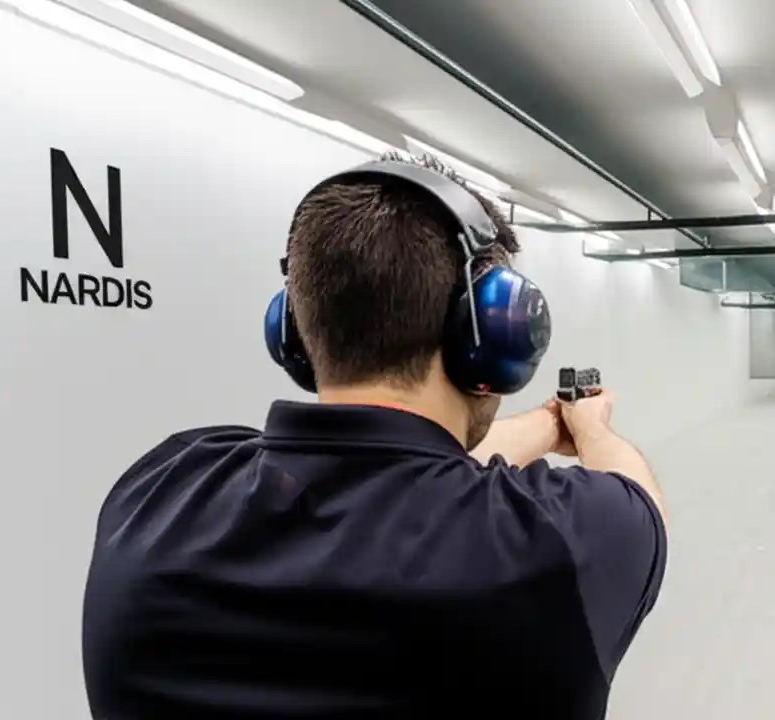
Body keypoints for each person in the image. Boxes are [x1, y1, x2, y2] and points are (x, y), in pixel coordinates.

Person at [81, 154, 668, 719]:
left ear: (294, 330)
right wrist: (591, 429)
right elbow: (635, 494)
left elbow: (392, 470)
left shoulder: (158, 493)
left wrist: (546, 425)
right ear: (489, 333)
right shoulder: (568, 539)